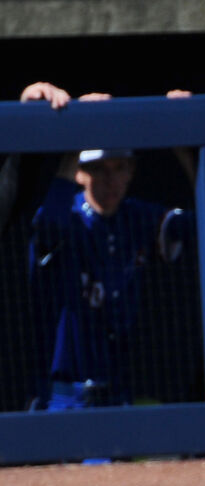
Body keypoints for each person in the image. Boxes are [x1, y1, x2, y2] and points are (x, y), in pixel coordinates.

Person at [28, 135, 196, 410]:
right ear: (80, 173)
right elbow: (47, 228)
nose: (111, 179)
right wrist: (73, 145)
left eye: (119, 168)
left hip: (117, 390)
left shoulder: (137, 217)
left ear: (131, 171)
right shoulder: (64, 215)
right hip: (61, 391)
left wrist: (188, 155)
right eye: (99, 169)